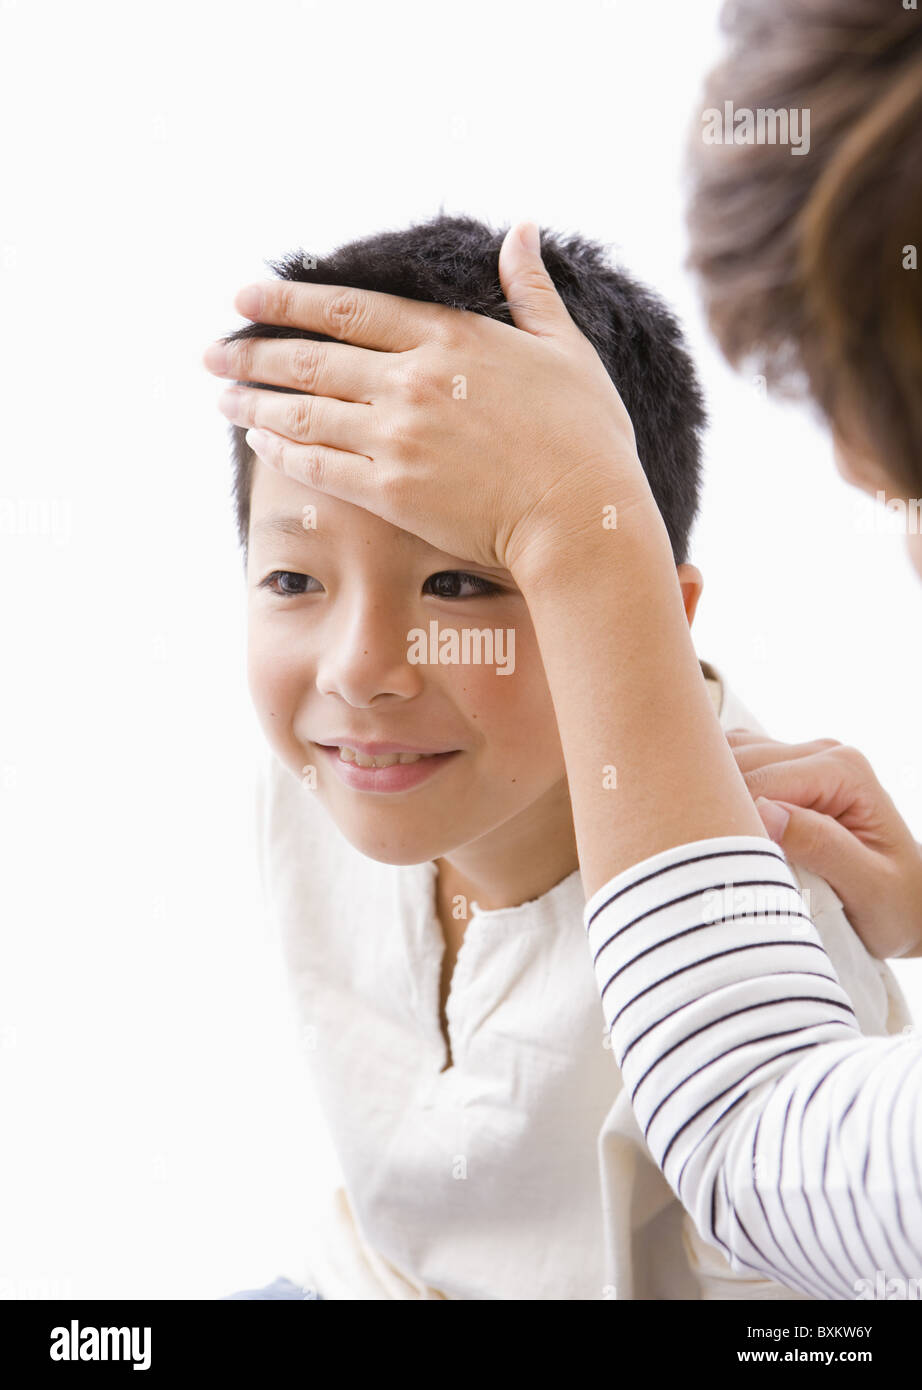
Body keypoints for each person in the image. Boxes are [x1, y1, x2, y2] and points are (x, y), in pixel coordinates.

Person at [202, 0, 922, 1302]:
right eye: (294, 577)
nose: (363, 664)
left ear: (651, 614)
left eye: (469, 577)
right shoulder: (334, 766)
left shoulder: (776, 912)